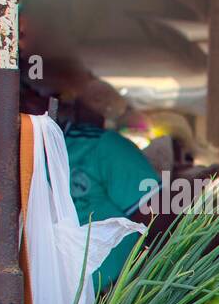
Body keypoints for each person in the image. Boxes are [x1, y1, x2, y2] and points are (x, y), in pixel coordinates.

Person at [61, 99, 160, 288]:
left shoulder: (102, 146)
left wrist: (131, 285)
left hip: (108, 297)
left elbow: (159, 219)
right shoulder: (8, 156)